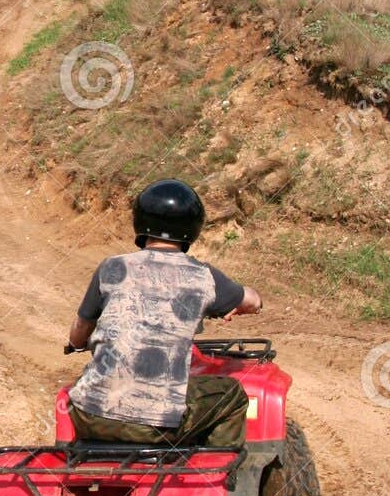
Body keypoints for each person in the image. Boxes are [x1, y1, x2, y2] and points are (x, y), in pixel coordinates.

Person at [66, 180, 263, 450]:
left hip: (87, 416)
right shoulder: (203, 276)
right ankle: (216, 474)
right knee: (233, 394)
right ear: (192, 228)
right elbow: (250, 300)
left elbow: (81, 326)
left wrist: (76, 345)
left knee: (86, 382)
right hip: (153, 426)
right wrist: (244, 303)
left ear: (140, 222)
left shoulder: (112, 267)